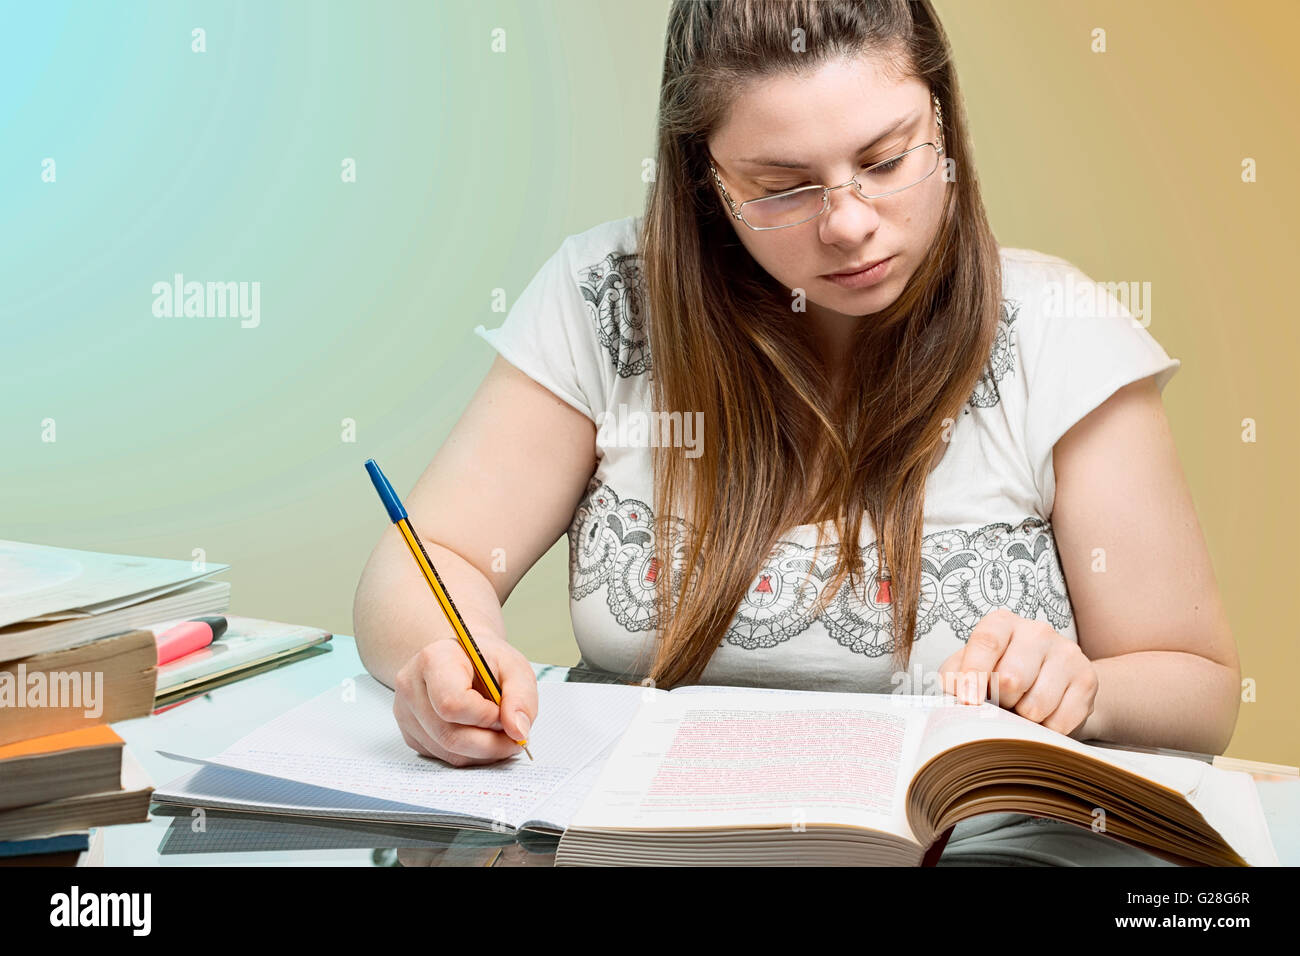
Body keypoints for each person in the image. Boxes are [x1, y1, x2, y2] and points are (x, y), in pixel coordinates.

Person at [352, 0, 1239, 866]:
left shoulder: (1059, 329)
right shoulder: (606, 300)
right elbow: (435, 555)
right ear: (707, 179)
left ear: (943, 118)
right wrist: (446, 665)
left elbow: (1198, 687)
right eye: (783, 188)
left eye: (887, 160)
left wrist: (1084, 690)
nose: (849, 223)